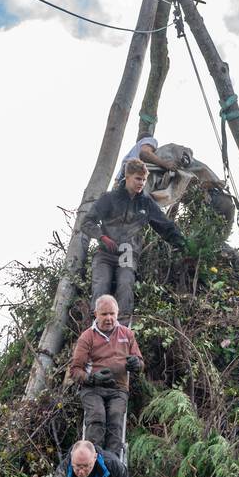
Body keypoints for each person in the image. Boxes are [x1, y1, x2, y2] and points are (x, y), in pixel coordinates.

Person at [82, 158, 186, 323]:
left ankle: (121, 329)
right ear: (127, 176)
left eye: (144, 180)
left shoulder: (146, 203)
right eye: (138, 178)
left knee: (125, 284)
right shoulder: (109, 198)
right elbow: (87, 223)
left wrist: (185, 245)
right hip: (105, 254)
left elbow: (166, 226)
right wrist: (102, 237)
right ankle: (95, 328)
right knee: (101, 284)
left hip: (128, 253)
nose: (141, 183)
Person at [69, 294, 143, 452]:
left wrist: (136, 364)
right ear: (96, 314)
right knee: (97, 417)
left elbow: (140, 362)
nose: (109, 318)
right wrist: (92, 379)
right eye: (104, 314)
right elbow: (75, 371)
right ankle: (93, 461)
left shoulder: (127, 334)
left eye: (112, 314)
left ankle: (112, 462)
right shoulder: (87, 337)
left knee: (116, 418)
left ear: (117, 313)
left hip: (118, 389)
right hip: (92, 389)